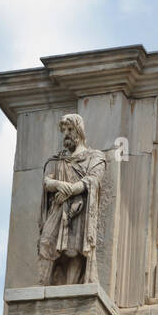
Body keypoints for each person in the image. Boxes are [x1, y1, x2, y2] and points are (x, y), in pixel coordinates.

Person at [38, 113, 106, 284]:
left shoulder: (95, 156)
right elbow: (47, 181)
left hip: (79, 207)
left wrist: (74, 189)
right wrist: (59, 185)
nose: (66, 133)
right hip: (58, 207)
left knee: (74, 248)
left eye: (70, 129)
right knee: (46, 241)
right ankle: (42, 283)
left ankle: (71, 287)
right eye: (64, 130)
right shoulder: (58, 158)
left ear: (79, 130)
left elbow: (94, 178)